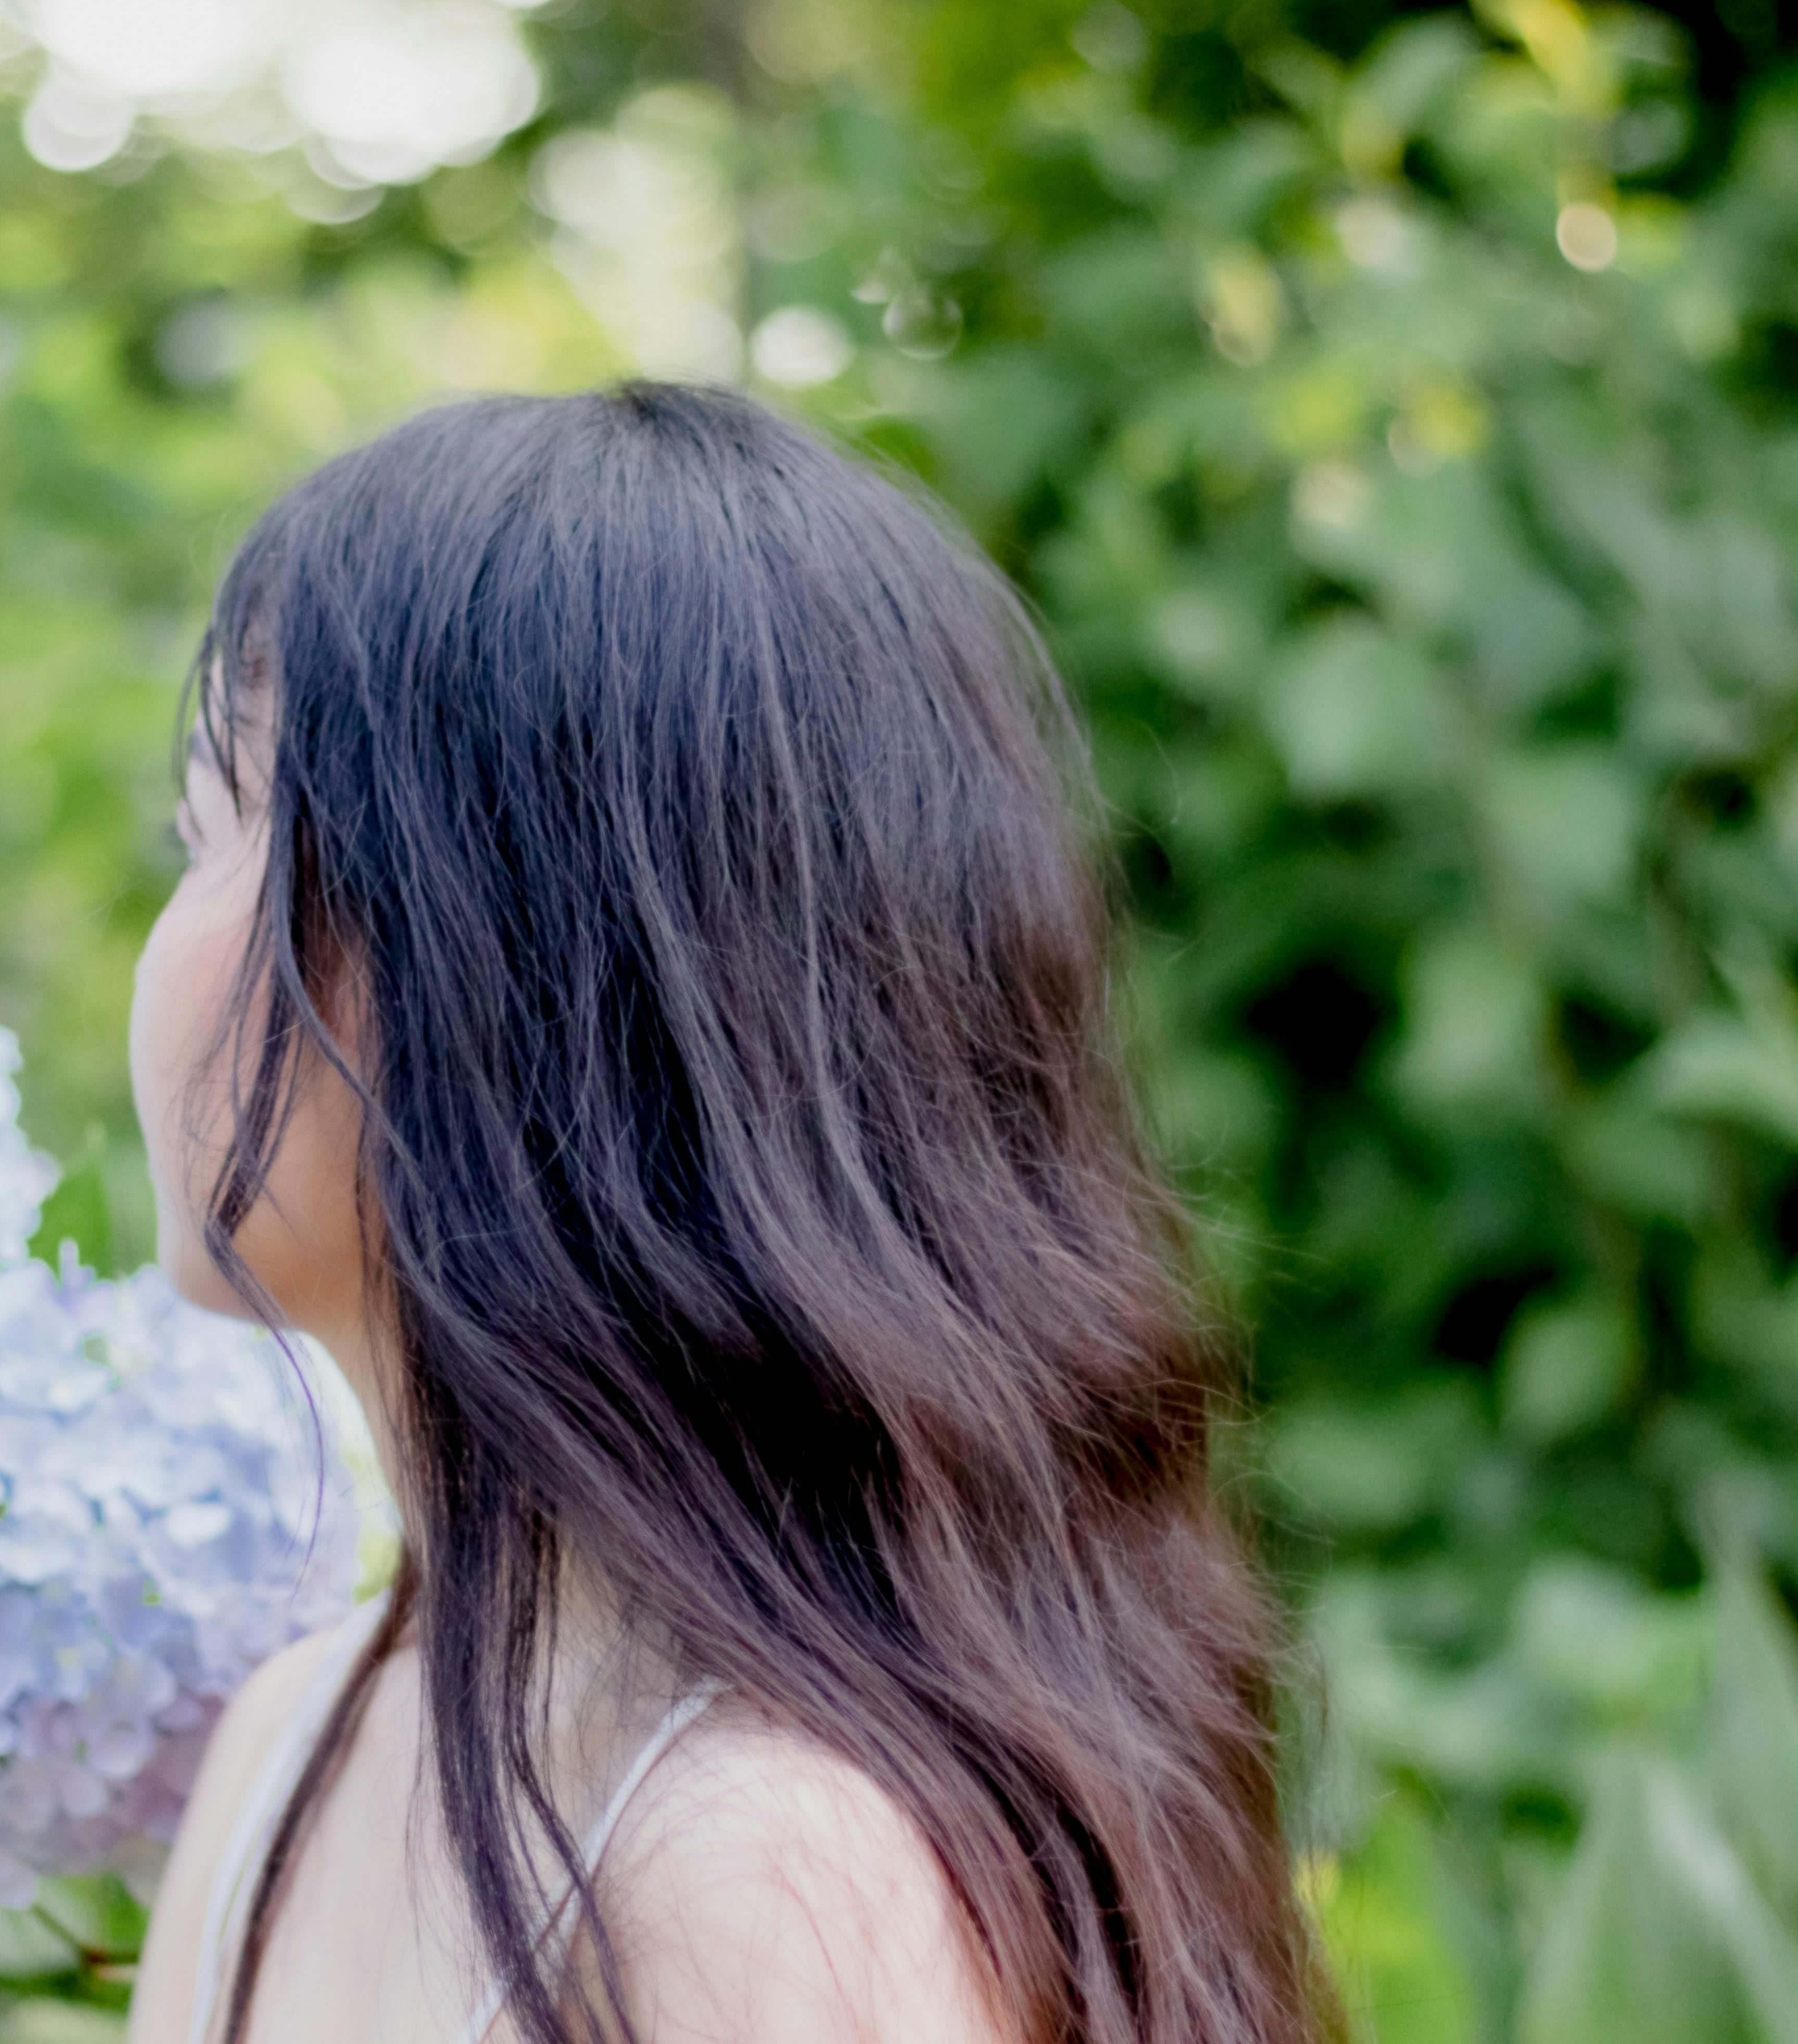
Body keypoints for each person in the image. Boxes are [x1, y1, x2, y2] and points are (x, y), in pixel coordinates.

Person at [121, 383, 1328, 2044]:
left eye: (217, 829)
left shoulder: (774, 1881)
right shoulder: (292, 1746)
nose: (162, 943)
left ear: (499, 968)